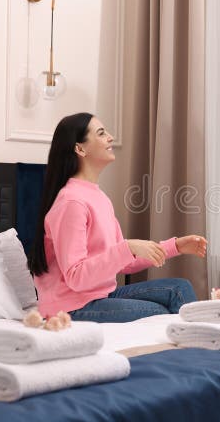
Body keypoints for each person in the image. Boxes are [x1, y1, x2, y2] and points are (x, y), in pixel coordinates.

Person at [28, 112, 207, 323]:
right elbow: (76, 277)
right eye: (101, 133)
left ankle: (202, 338)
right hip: (70, 307)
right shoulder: (71, 202)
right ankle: (201, 341)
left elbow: (123, 263)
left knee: (179, 288)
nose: (110, 137)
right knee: (160, 312)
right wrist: (127, 247)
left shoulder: (99, 197)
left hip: (100, 296)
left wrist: (175, 246)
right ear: (80, 149)